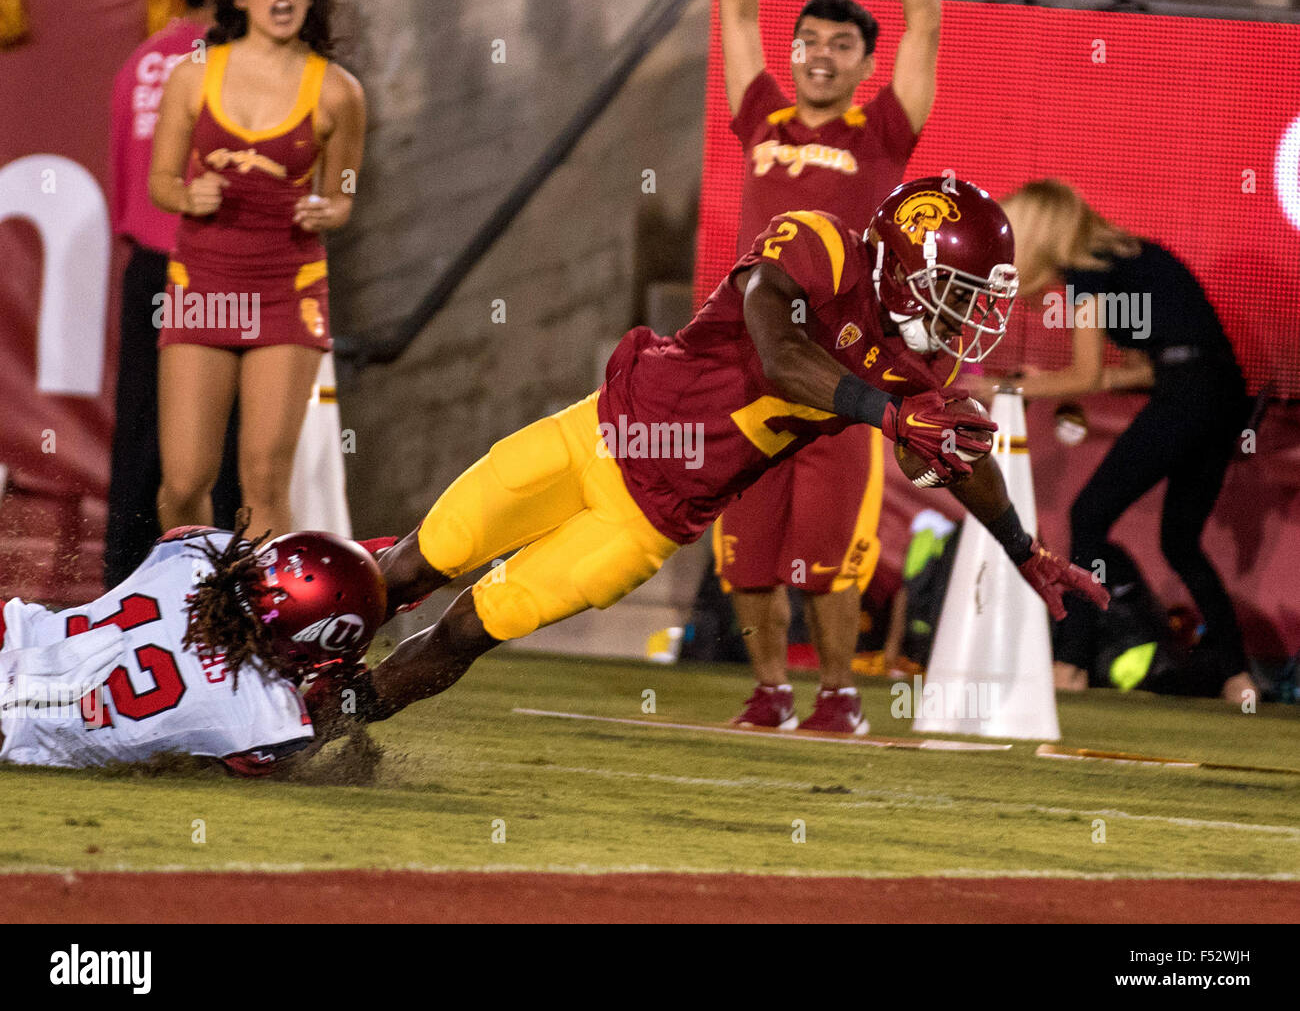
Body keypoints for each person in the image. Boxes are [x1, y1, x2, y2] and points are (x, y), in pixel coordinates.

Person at [306, 178, 1109, 740]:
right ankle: (271, 652)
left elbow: (962, 458)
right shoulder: (820, 246)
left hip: (647, 523)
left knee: (470, 630)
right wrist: (890, 414)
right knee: (420, 562)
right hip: (596, 434)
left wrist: (1023, 548)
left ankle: (324, 728)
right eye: (959, 289)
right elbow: (781, 350)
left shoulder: (919, 370)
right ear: (905, 266)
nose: (968, 313)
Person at [717, 0, 940, 732]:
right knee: (745, 557)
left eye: (841, 45)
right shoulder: (761, 122)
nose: (820, 55)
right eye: (808, 41)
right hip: (747, 374)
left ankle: (840, 698)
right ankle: (770, 691)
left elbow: (926, 28)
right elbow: (739, 15)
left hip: (839, 376)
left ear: (866, 66)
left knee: (826, 554)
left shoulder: (881, 133)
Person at [980, 179, 1254, 702]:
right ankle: (1239, 678)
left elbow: (1084, 376)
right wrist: (1035, 380)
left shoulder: (1089, 272)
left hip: (1191, 396)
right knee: (1179, 540)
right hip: (1220, 395)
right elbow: (1146, 368)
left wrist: (1004, 386)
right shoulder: (1130, 258)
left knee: (1088, 516)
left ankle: (1071, 663)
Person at [148, 0, 366, 540]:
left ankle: (258, 625)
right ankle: (194, 605)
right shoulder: (192, 77)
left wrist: (330, 209)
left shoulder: (339, 91)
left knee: (265, 481)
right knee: (184, 480)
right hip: (205, 284)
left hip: (286, 288)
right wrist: (188, 194)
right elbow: (161, 182)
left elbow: (343, 195)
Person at [0, 517, 386, 773]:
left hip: (14, 629)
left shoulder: (199, 555)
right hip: (22, 724)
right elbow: (275, 762)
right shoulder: (263, 715)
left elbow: (179, 539)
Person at [107, 0, 243, 590]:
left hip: (147, 267)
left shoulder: (142, 59)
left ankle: (124, 586)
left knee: (138, 432)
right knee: (229, 441)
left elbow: (121, 175)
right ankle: (229, 590)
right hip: (210, 265)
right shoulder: (233, 64)